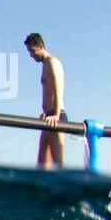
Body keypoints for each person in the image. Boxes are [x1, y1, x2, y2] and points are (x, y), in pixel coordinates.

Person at [24, 33, 66, 169]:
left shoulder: (52, 62)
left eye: (32, 51)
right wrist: (46, 113)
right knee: (42, 165)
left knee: (58, 164)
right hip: (48, 116)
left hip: (55, 116)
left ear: (41, 47)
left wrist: (56, 114)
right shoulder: (45, 65)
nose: (31, 55)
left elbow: (58, 90)